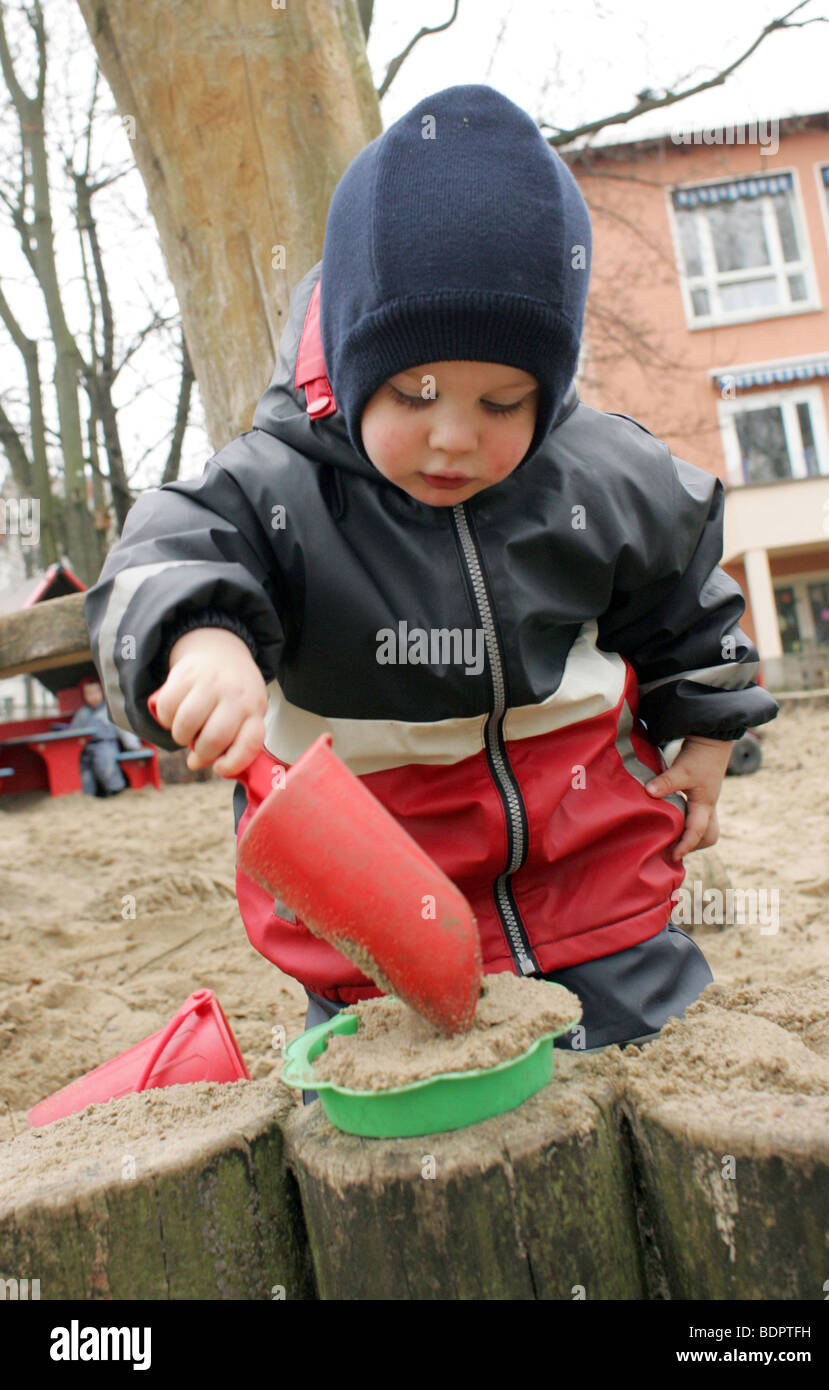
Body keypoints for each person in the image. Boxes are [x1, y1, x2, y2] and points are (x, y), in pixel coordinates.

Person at [83, 85, 779, 1094]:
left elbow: (690, 606)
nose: (455, 436)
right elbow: (164, 559)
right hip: (373, 919)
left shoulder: (599, 475)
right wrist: (204, 644)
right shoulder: (277, 489)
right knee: (404, 1124)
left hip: (595, 887)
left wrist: (708, 739)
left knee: (644, 1082)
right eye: (414, 394)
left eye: (504, 401)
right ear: (358, 363)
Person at [64, 676, 142, 796]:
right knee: (82, 768)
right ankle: (88, 794)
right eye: (89, 693)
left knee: (105, 762)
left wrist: (134, 746)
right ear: (84, 696)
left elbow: (123, 729)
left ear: (103, 692)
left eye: (96, 692)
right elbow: (73, 734)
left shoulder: (110, 710)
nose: (93, 696)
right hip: (85, 748)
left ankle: (115, 789)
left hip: (106, 744)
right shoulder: (81, 714)